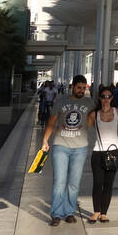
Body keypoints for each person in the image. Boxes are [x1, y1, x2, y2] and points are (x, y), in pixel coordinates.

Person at [40, 75, 96, 226]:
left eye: (84, 88)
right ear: (72, 86)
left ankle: (69, 212)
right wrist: (45, 140)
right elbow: (51, 122)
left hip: (80, 148)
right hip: (61, 146)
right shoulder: (61, 101)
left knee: (74, 182)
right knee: (59, 181)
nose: (81, 91)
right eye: (79, 88)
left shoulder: (89, 102)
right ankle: (56, 214)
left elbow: (93, 119)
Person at [87, 86, 118, 224]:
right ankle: (96, 212)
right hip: (98, 152)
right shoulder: (94, 114)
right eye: (103, 96)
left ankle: (104, 213)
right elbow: (84, 129)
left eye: (108, 96)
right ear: (99, 98)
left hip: (114, 151)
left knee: (108, 184)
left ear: (112, 98)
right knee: (97, 183)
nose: (106, 99)